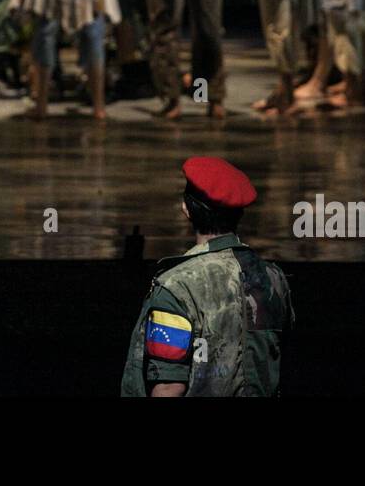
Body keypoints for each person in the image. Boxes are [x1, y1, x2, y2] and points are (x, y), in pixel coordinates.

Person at [120, 156, 294, 397]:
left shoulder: (176, 286)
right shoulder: (274, 279)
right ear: (239, 214)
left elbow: (168, 386)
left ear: (186, 209)